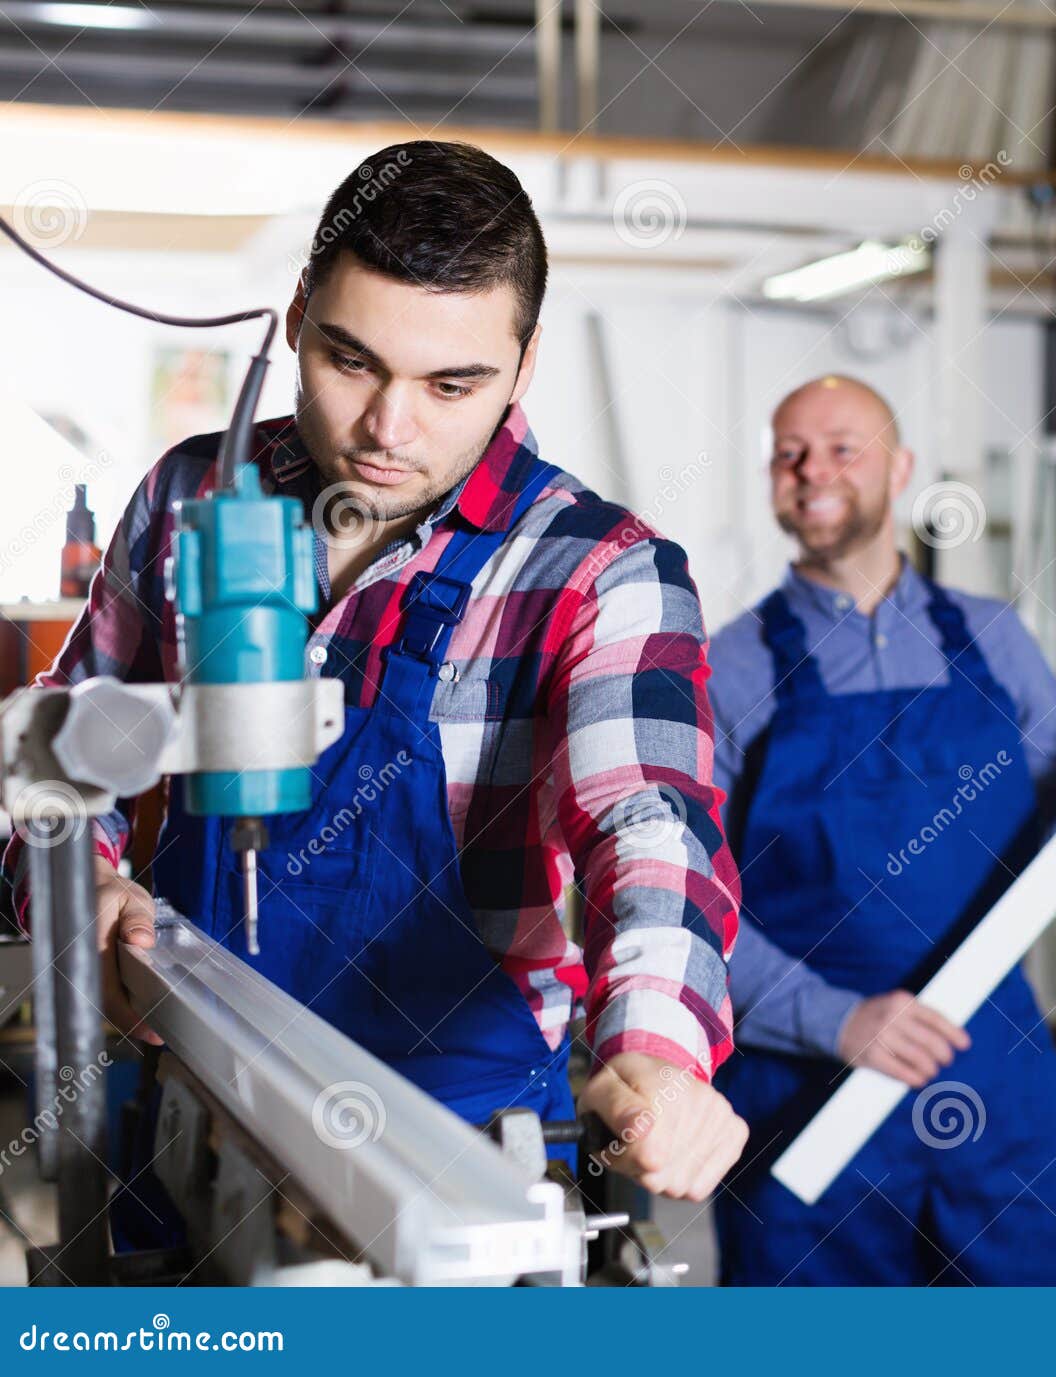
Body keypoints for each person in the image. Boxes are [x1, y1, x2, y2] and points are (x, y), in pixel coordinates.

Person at [3, 141, 747, 1208]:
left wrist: (660, 1055)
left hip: (462, 1142)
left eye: (452, 384)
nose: (387, 431)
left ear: (524, 365)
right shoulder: (188, 501)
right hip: (198, 1080)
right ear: (298, 314)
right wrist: (81, 890)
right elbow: (61, 762)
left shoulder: (596, 571)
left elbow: (648, 823)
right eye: (351, 361)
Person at [708, 375, 1056, 1285]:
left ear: (900, 468)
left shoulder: (992, 637)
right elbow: (689, 904)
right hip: (805, 1084)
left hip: (988, 1066)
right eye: (789, 452)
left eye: (841, 446)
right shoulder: (728, 667)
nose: (812, 469)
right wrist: (834, 1019)